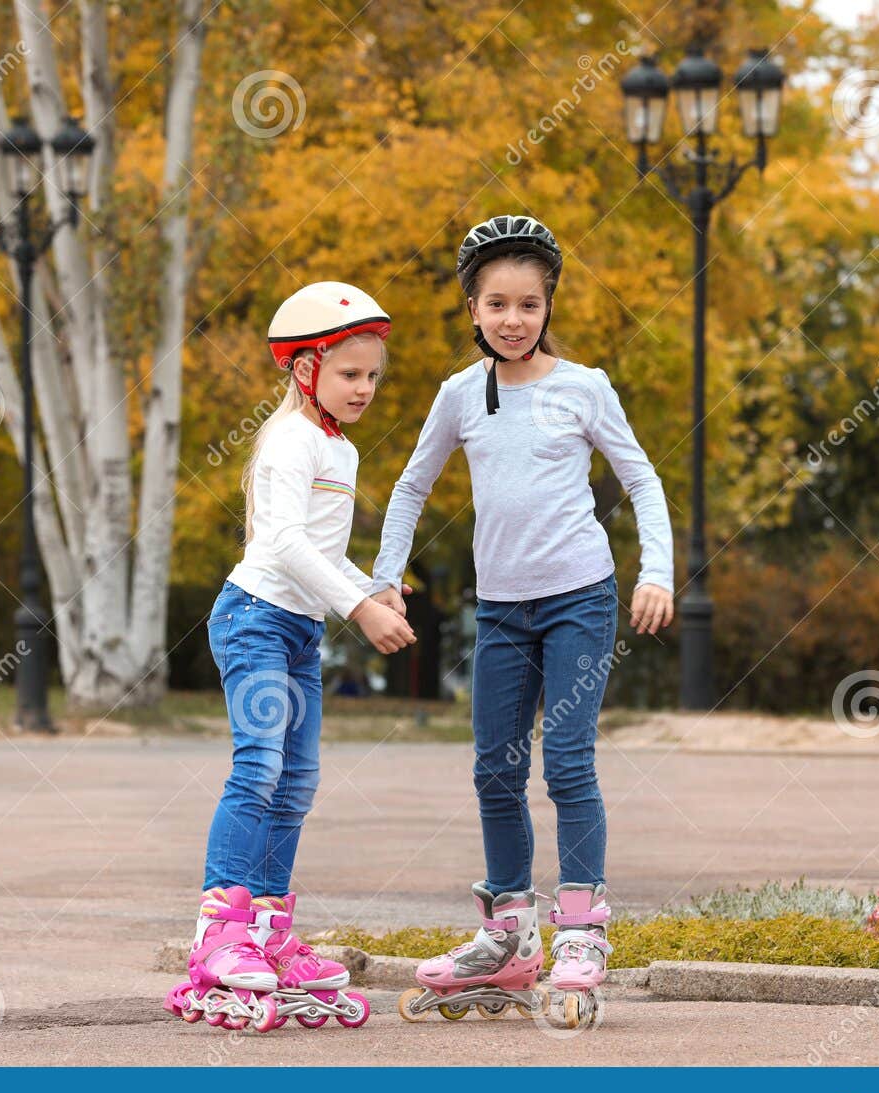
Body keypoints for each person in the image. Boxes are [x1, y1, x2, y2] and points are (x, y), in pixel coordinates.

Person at [372, 216, 674, 1028]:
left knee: (567, 763)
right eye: (497, 303)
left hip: (582, 598)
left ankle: (580, 931)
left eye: (529, 304)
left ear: (548, 308)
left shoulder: (585, 386)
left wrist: (658, 573)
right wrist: (382, 580)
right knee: (494, 770)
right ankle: (509, 935)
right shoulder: (458, 396)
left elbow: (642, 479)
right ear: (472, 308)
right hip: (502, 610)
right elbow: (408, 488)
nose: (513, 318)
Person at [166, 282, 415, 1032]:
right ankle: (220, 930)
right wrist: (360, 606)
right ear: (305, 371)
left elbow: (322, 547)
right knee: (260, 766)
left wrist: (376, 587)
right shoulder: (289, 439)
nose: (364, 387)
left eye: (372, 374)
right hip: (253, 620)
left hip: (299, 629)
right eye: (349, 374)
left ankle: (268, 931)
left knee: (298, 780)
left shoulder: (341, 443)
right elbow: (280, 542)